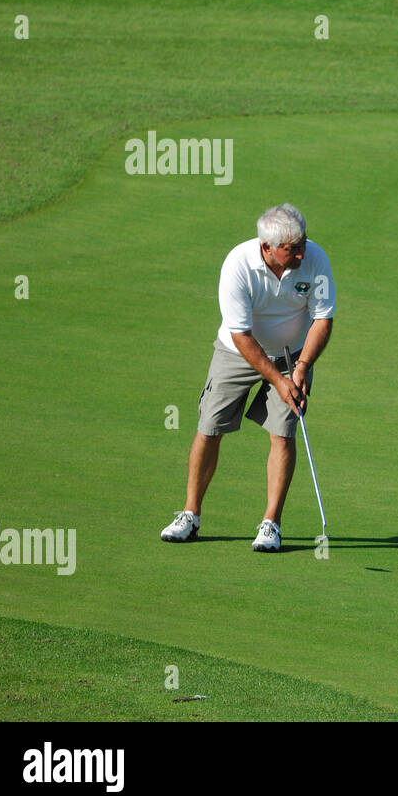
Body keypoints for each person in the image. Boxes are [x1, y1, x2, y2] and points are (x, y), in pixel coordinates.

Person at [160, 203, 336, 552]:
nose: (302, 252)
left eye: (302, 243)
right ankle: (190, 514)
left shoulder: (314, 259)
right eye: (292, 248)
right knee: (209, 428)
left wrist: (298, 371)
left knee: (282, 434)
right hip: (237, 351)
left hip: (293, 355)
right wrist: (276, 378)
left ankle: (271, 523)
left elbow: (322, 319)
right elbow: (241, 335)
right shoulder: (238, 265)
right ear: (268, 248)